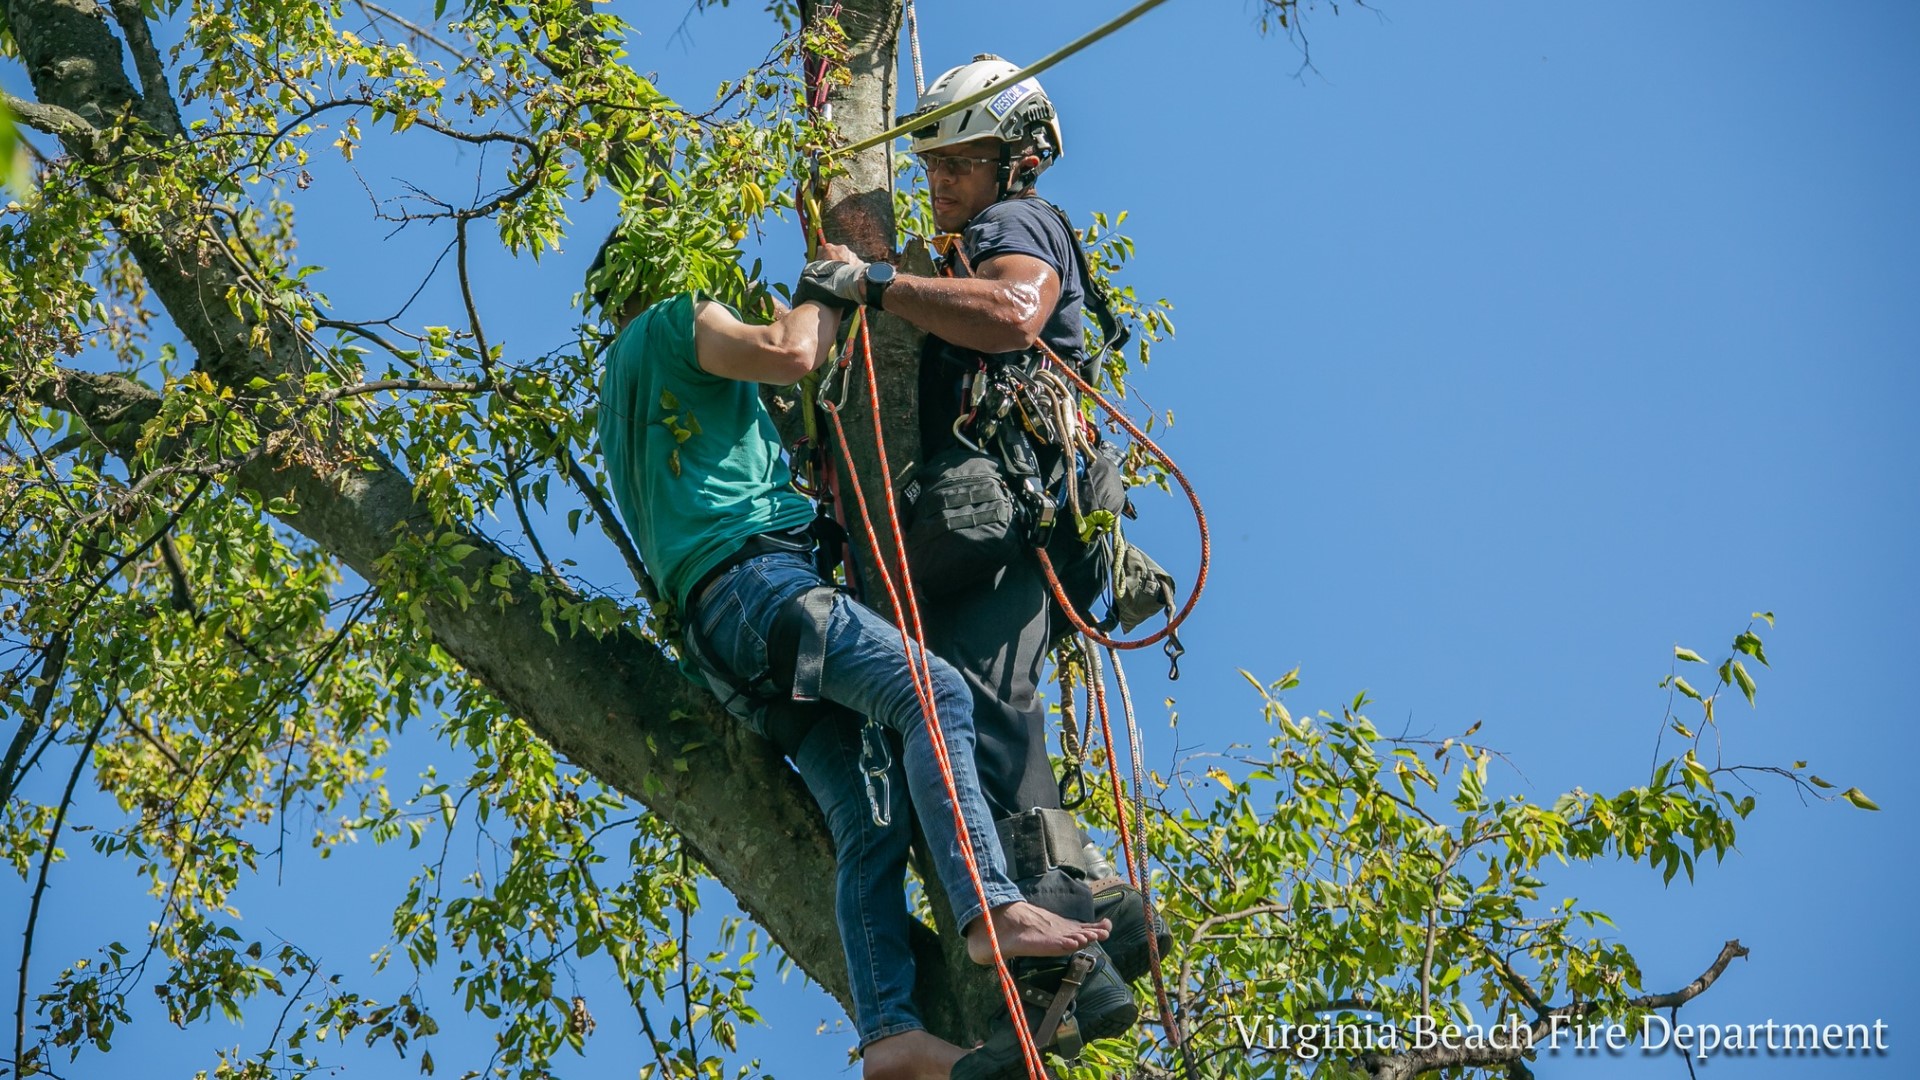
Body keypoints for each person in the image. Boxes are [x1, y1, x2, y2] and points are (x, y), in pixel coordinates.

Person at [589, 242, 1119, 1080]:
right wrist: (826, 287)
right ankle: (990, 905)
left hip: (723, 645)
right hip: (758, 583)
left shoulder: (624, 403)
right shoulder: (672, 319)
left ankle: (891, 1036)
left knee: (871, 822)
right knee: (932, 692)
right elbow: (791, 351)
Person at [796, 56, 1167, 990]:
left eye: (959, 160)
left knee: (986, 716)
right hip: (987, 526)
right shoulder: (968, 242)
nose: (940, 181)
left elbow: (1012, 313)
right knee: (975, 716)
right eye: (930, 165)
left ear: (1017, 158)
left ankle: (1056, 940)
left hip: (1004, 528)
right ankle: (1084, 925)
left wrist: (871, 284)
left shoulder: (1017, 223)